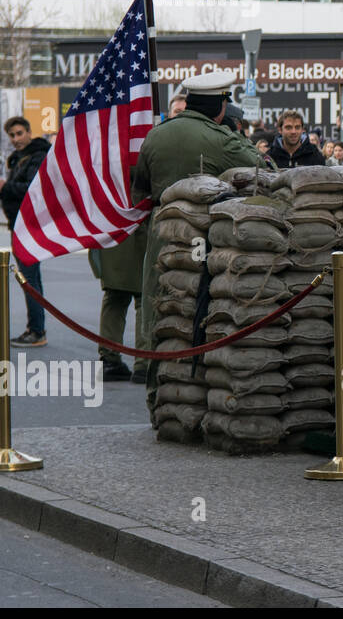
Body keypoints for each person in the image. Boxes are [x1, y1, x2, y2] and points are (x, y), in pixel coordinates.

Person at [131, 70, 264, 417]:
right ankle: (199, 399)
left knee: (159, 311)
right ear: (220, 107)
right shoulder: (221, 138)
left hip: (161, 235)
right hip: (205, 239)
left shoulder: (156, 136)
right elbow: (264, 169)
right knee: (198, 310)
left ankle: (156, 398)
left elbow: (140, 188)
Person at [1, 116, 52, 346]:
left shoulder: (37, 155)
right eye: (12, 135)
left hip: (29, 225)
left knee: (28, 279)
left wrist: (5, 187)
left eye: (19, 133)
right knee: (30, 278)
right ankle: (36, 328)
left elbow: (32, 190)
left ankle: (37, 331)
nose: (16, 139)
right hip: (18, 224)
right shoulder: (18, 158)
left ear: (29, 132)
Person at [87, 228, 146, 382]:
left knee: (114, 297)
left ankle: (109, 360)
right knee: (144, 297)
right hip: (139, 234)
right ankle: (144, 363)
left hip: (112, 235)